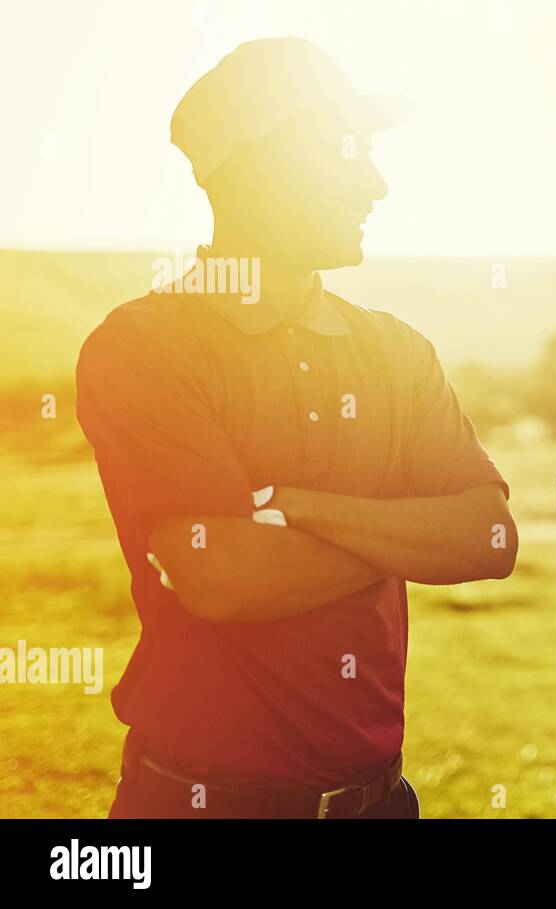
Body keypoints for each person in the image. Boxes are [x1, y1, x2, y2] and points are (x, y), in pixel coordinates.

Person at [76, 38, 516, 818]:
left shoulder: (396, 349)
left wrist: (303, 510)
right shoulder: (143, 346)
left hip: (383, 802)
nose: (376, 182)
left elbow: (487, 540)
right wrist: (403, 533)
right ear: (252, 165)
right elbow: (222, 575)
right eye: (348, 150)